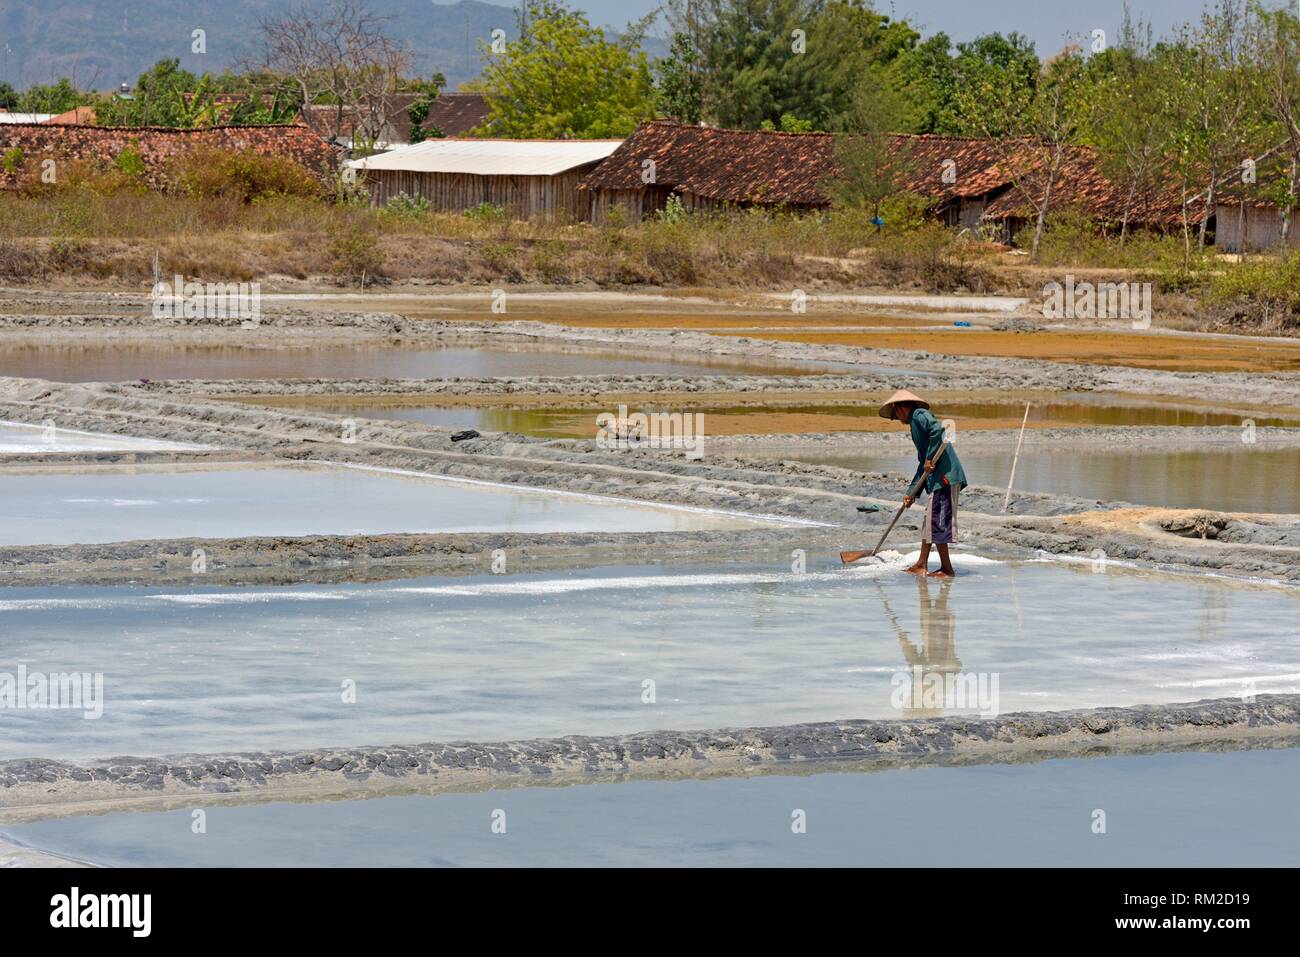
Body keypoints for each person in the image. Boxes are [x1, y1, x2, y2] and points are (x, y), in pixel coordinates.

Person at [878, 389, 968, 577]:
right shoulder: (915, 425)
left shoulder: (919, 415)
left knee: (938, 523)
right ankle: (921, 564)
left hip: (945, 478)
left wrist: (929, 458)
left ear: (900, 408)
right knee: (929, 522)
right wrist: (912, 493)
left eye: (894, 415)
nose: (896, 419)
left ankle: (946, 569)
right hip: (936, 480)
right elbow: (923, 465)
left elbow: (940, 430)